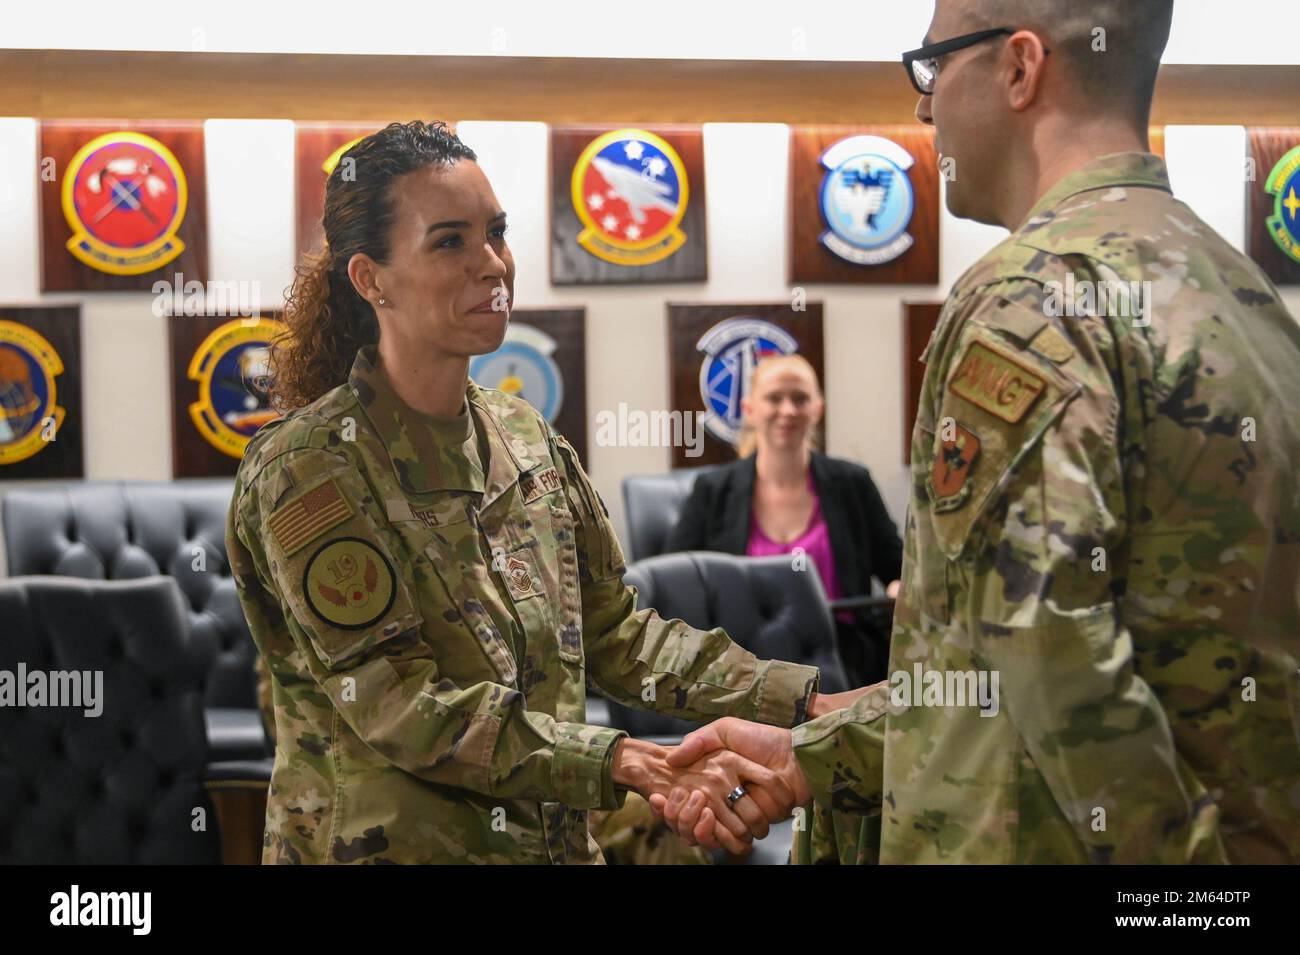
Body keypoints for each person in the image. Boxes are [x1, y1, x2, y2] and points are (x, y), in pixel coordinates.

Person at [651, 0, 1300, 864]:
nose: (923, 106)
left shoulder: (1030, 295)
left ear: (1020, 68)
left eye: (934, 64)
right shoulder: (1246, 296)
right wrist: (814, 752)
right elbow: (997, 679)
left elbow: (1052, 651)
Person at [225, 120, 869, 864]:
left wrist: (800, 700)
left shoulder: (526, 438)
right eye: (450, 241)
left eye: (496, 233)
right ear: (371, 279)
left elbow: (616, 633)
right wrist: (623, 758)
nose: (492, 263)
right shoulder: (309, 466)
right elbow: (398, 704)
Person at [665, 354, 903, 685]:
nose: (788, 410)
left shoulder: (853, 483)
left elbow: (898, 569)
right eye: (774, 398)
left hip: (844, 666)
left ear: (818, 408)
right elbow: (671, 584)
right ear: (749, 409)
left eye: (800, 398)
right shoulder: (713, 491)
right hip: (737, 669)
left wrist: (900, 588)